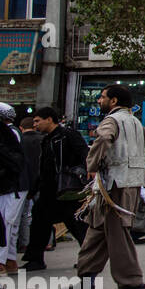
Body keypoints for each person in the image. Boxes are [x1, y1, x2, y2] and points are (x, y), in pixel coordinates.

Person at [73, 86, 145, 289]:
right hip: (125, 183)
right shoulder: (134, 121)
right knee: (97, 230)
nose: (99, 101)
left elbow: (102, 140)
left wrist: (92, 165)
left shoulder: (112, 121)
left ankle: (132, 283)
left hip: (116, 184)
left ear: (113, 101)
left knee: (117, 232)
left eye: (102, 97)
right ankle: (86, 281)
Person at [23, 107, 88, 271]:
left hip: (67, 189)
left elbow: (85, 155)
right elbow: (44, 167)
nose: (35, 124)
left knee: (76, 224)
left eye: (38, 121)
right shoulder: (47, 139)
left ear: (49, 119)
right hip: (49, 190)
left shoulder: (68, 135)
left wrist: (78, 174)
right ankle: (35, 259)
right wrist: (34, 189)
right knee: (39, 223)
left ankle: (89, 258)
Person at [0, 103, 25, 274]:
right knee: (9, 225)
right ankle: (9, 261)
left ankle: (2, 262)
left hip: (11, 186)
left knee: (6, 224)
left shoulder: (9, 133)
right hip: (11, 185)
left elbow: (12, 159)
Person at [15, 116, 41, 259]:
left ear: (21, 128)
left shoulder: (20, 141)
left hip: (26, 181)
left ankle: (24, 243)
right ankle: (48, 243)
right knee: (42, 213)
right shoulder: (43, 139)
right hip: (43, 180)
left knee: (25, 214)